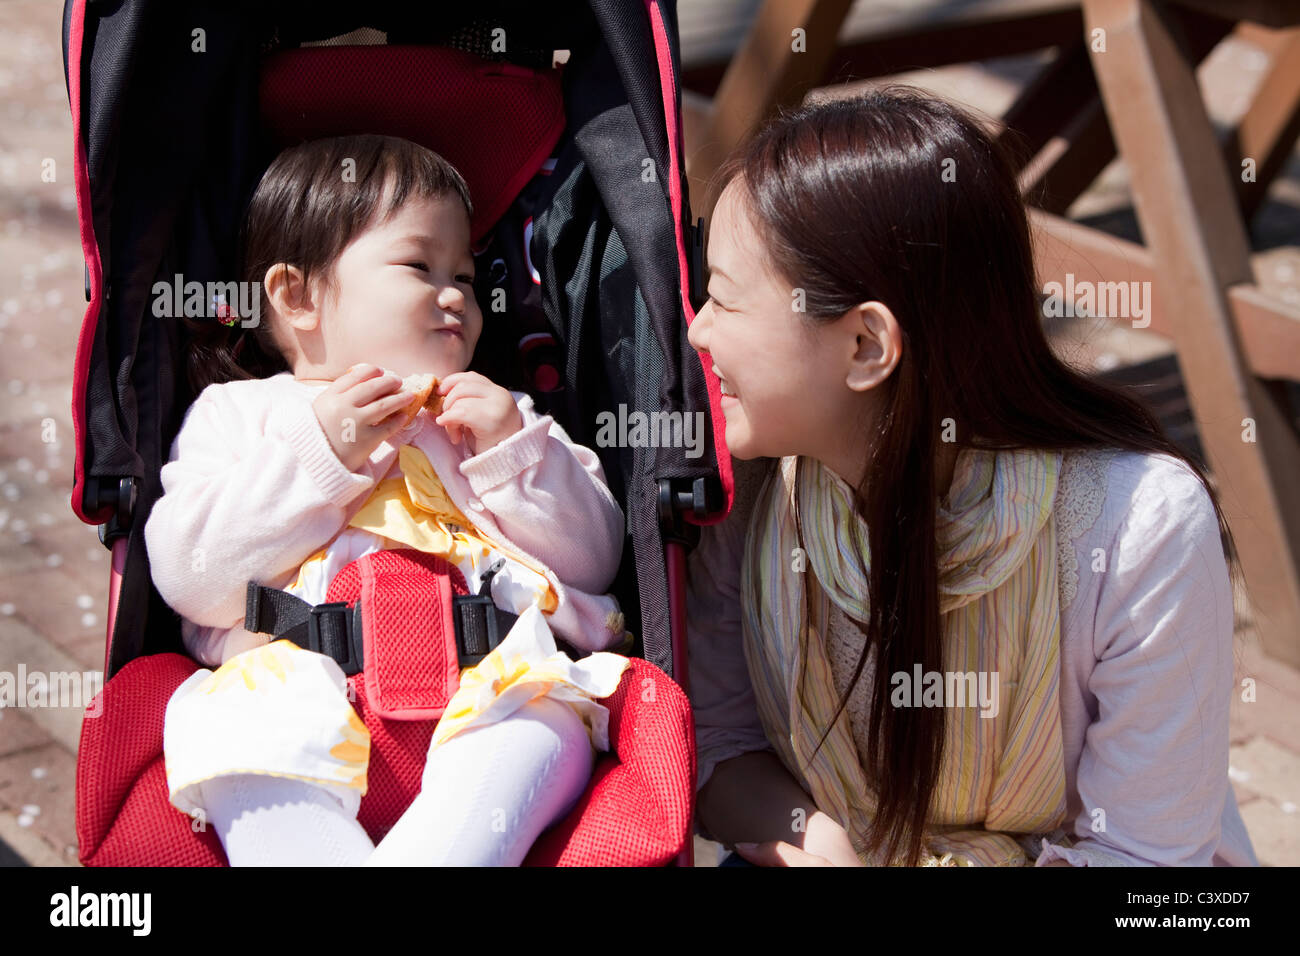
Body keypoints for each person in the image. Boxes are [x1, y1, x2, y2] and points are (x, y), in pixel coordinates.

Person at [685, 87, 1258, 867]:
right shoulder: (750, 489)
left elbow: (1147, 859)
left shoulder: (1136, 525)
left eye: (722, 299)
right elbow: (717, 740)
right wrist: (821, 844)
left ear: (864, 346)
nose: (696, 330)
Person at [145, 133, 630, 866]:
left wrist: (510, 453)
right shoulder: (241, 415)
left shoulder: (500, 420)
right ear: (297, 295)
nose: (455, 297)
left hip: (492, 690)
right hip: (290, 700)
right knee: (234, 748)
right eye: (419, 266)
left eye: (465, 277)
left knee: (546, 726)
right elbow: (190, 578)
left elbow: (594, 562)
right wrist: (320, 457)